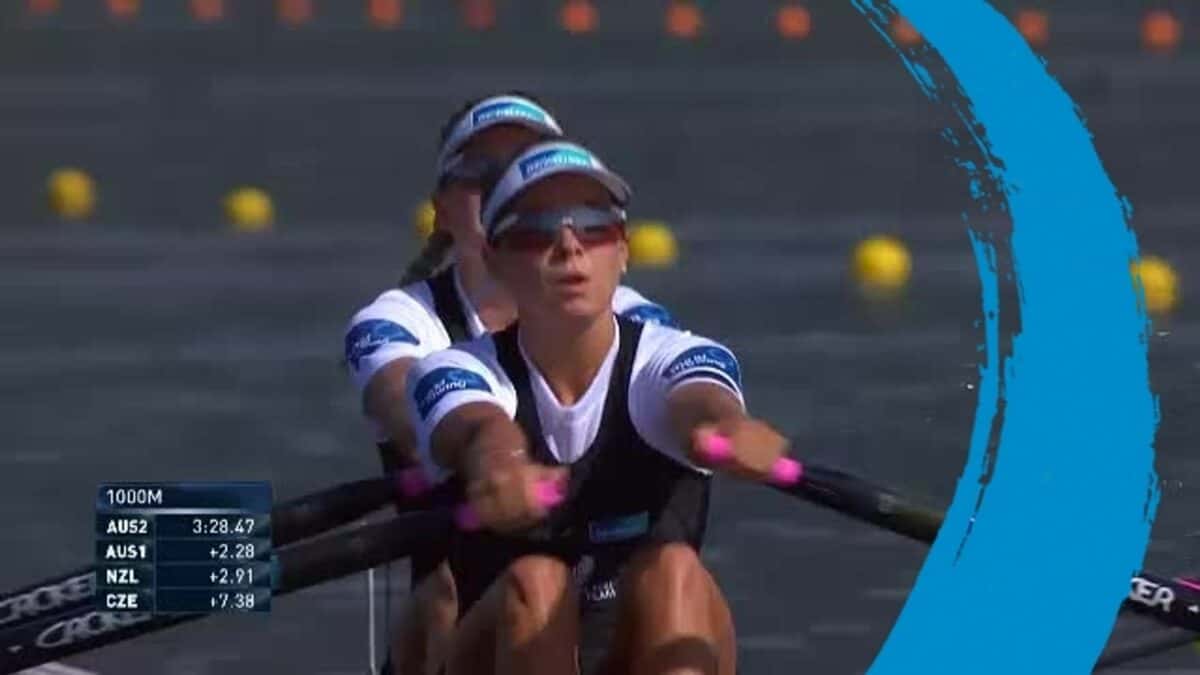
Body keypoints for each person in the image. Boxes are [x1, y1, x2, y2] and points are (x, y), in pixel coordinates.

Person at [404, 139, 799, 675]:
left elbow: (700, 398)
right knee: (536, 580)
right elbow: (476, 424)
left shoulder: (673, 357)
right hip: (496, 651)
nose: (570, 247)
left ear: (624, 249)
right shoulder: (457, 370)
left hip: (643, 645)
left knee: (675, 570)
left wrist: (730, 426)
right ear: (494, 260)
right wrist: (497, 462)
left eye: (594, 226)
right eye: (537, 230)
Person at [342, 93, 681, 675]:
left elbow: (687, 394)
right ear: (443, 211)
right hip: (461, 628)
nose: (504, 181)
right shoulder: (399, 322)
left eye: (527, 159)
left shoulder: (636, 319)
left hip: (605, 619)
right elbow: (401, 397)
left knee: (677, 576)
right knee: (452, 585)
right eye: (479, 172)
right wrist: (481, 450)